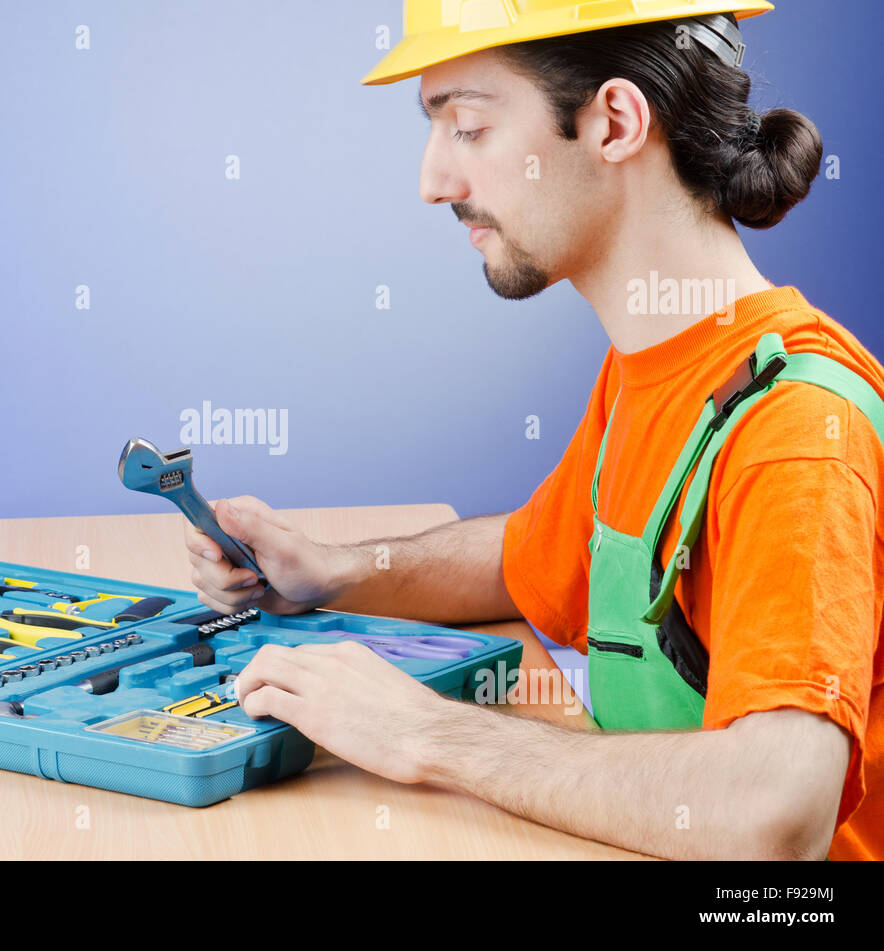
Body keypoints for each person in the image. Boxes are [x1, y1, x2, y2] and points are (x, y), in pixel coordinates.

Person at [183, 2, 882, 860]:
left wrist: (429, 734)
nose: (433, 182)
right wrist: (331, 573)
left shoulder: (796, 431)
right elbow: (532, 554)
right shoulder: (657, 363)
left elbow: (776, 814)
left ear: (615, 123)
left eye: (469, 128)